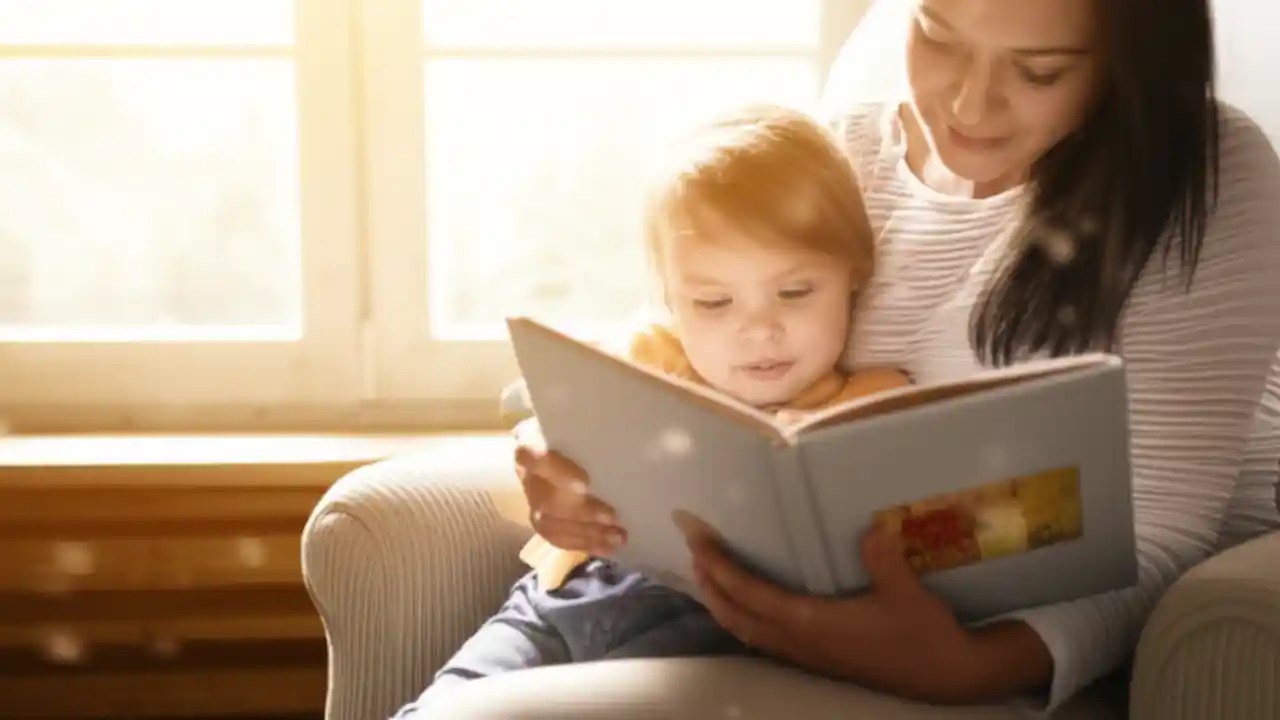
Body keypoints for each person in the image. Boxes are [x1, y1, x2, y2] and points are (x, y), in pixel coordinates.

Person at [410, 0, 1280, 715]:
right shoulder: (844, 149)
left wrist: (966, 666)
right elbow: (691, 344)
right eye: (937, 35)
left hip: (982, 656)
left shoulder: (1204, 176)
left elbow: (1161, 533)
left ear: (1129, 61)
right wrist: (569, 460)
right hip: (723, 608)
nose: (970, 106)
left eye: (1039, 69)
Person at [398, 103, 910, 716]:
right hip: (566, 596)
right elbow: (545, 450)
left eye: (795, 292)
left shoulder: (875, 398)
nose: (759, 330)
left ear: (855, 274)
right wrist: (549, 477)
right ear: (670, 296)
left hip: (718, 629)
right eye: (714, 301)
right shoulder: (648, 355)